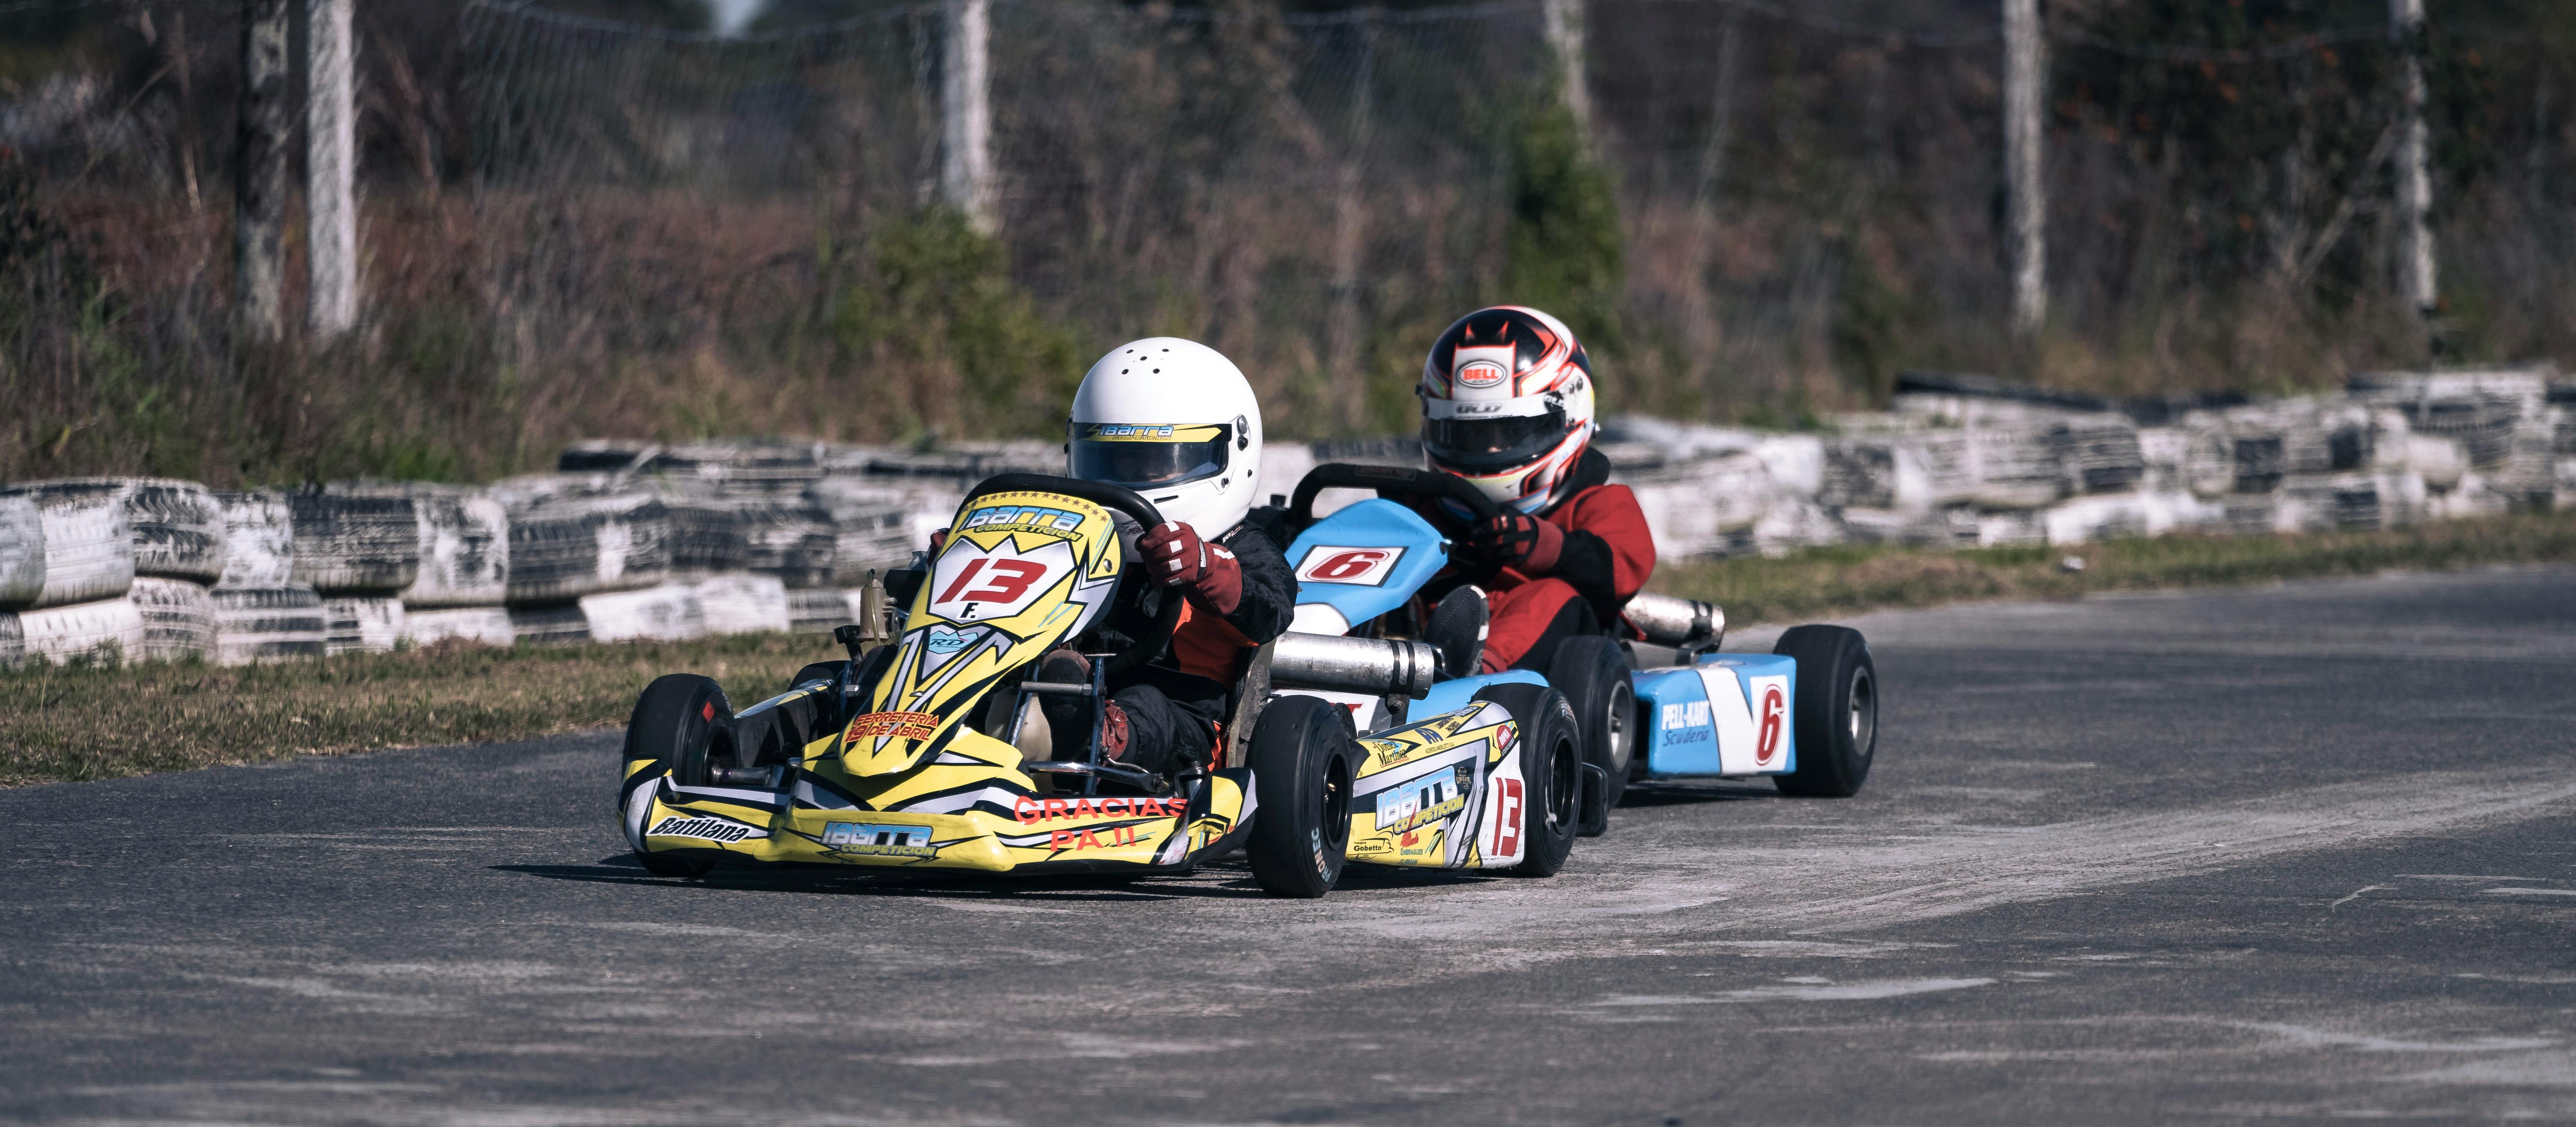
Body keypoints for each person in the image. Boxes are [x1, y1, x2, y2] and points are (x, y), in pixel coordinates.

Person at [1033, 337, 1298, 775]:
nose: (1132, 480)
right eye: (1116, 462)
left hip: (1188, 719)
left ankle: (1102, 737)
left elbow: (1271, 613)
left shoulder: (1242, 544)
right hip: (1076, 683)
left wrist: (1204, 567)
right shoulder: (1075, 533)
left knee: (1147, 704)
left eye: (1156, 465)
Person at [1408, 305, 1655, 672]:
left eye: (1508, 433)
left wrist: (1545, 545)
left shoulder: (1601, 504)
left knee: (1552, 595)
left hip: (1550, 661)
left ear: (1569, 417)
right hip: (1421, 637)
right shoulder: (1429, 504)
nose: (1486, 451)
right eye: (1469, 435)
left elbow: (1618, 571)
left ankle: (1471, 673)